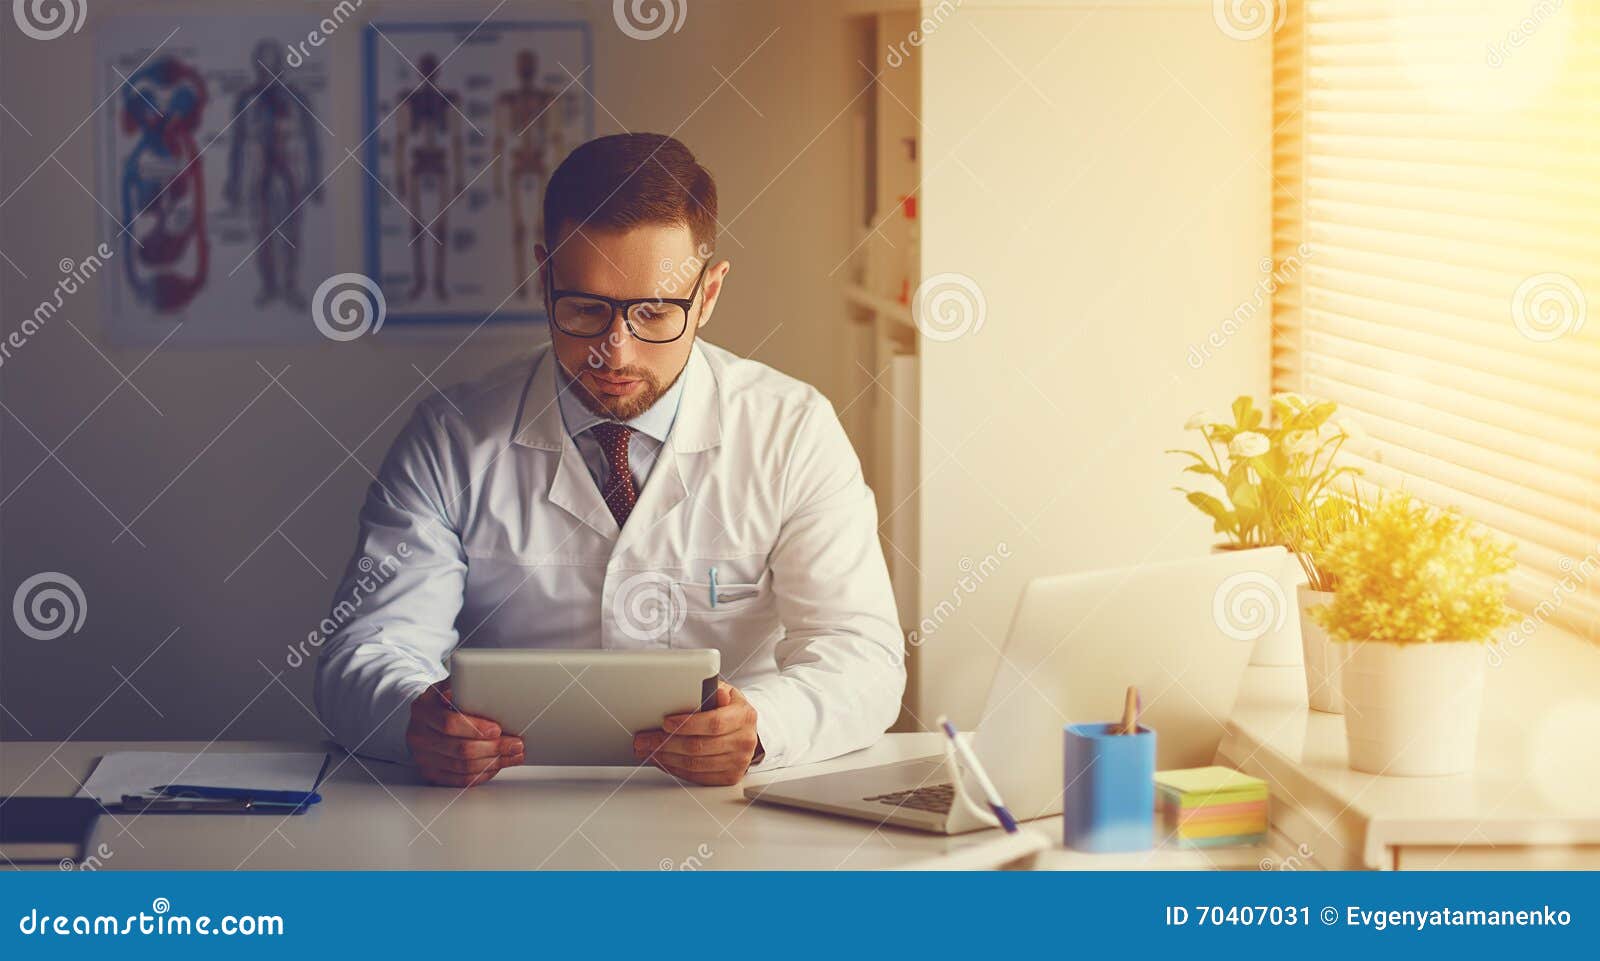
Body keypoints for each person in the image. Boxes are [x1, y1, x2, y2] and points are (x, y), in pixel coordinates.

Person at [315, 133, 905, 787]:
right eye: (588, 308)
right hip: (509, 807)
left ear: (707, 295)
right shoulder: (451, 438)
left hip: (728, 809)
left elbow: (863, 655)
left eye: (654, 312)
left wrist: (763, 726)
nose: (615, 353)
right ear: (544, 280)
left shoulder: (791, 430)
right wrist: (413, 719)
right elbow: (366, 648)